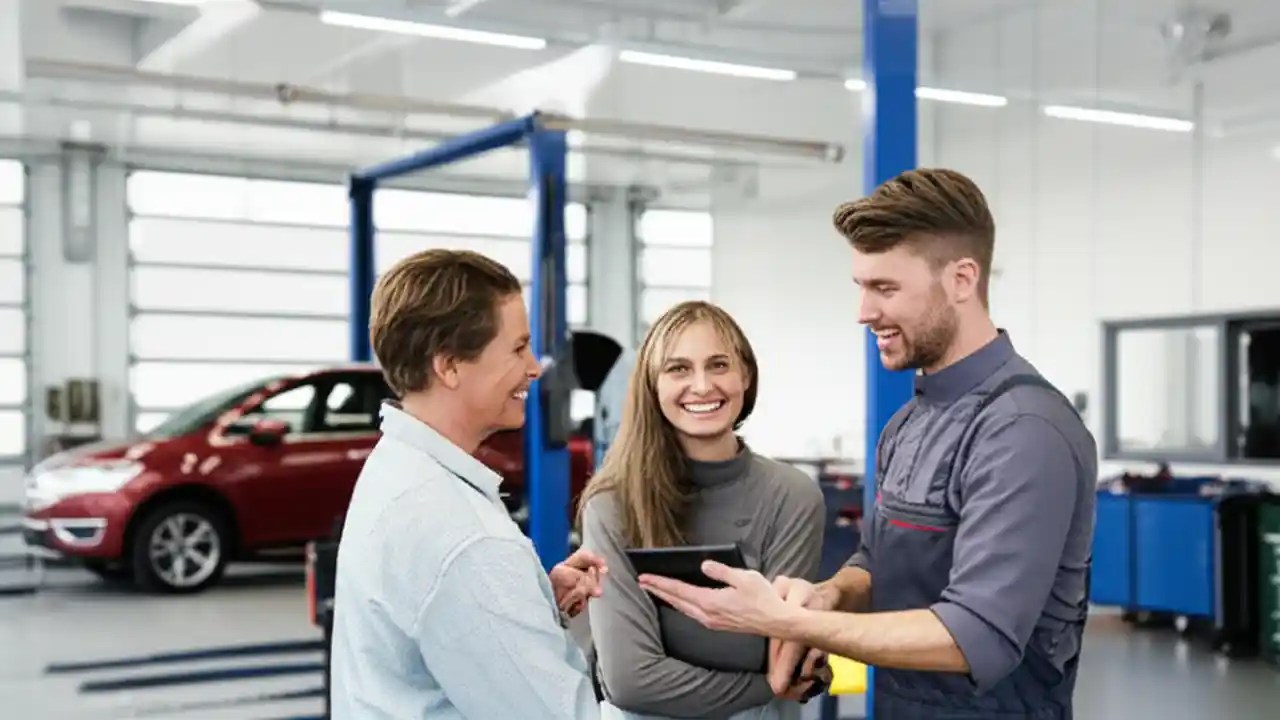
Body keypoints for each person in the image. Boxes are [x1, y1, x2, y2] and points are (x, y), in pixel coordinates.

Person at [637, 168, 1098, 719]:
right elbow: (876, 565)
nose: (864, 311)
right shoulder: (908, 423)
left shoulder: (1024, 431)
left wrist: (789, 623)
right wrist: (830, 595)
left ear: (962, 280)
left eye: (885, 288)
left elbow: (977, 635)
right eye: (861, 286)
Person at [329, 249, 608, 719]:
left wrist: (526, 598)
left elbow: (434, 621)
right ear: (450, 366)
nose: (534, 368)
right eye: (518, 349)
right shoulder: (467, 539)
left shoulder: (397, 468)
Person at [577, 301, 827, 720]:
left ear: (744, 375)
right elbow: (630, 680)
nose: (702, 385)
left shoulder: (792, 497)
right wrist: (767, 685)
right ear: (652, 386)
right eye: (678, 369)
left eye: (718, 365)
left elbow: (788, 655)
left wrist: (780, 673)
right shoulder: (613, 505)